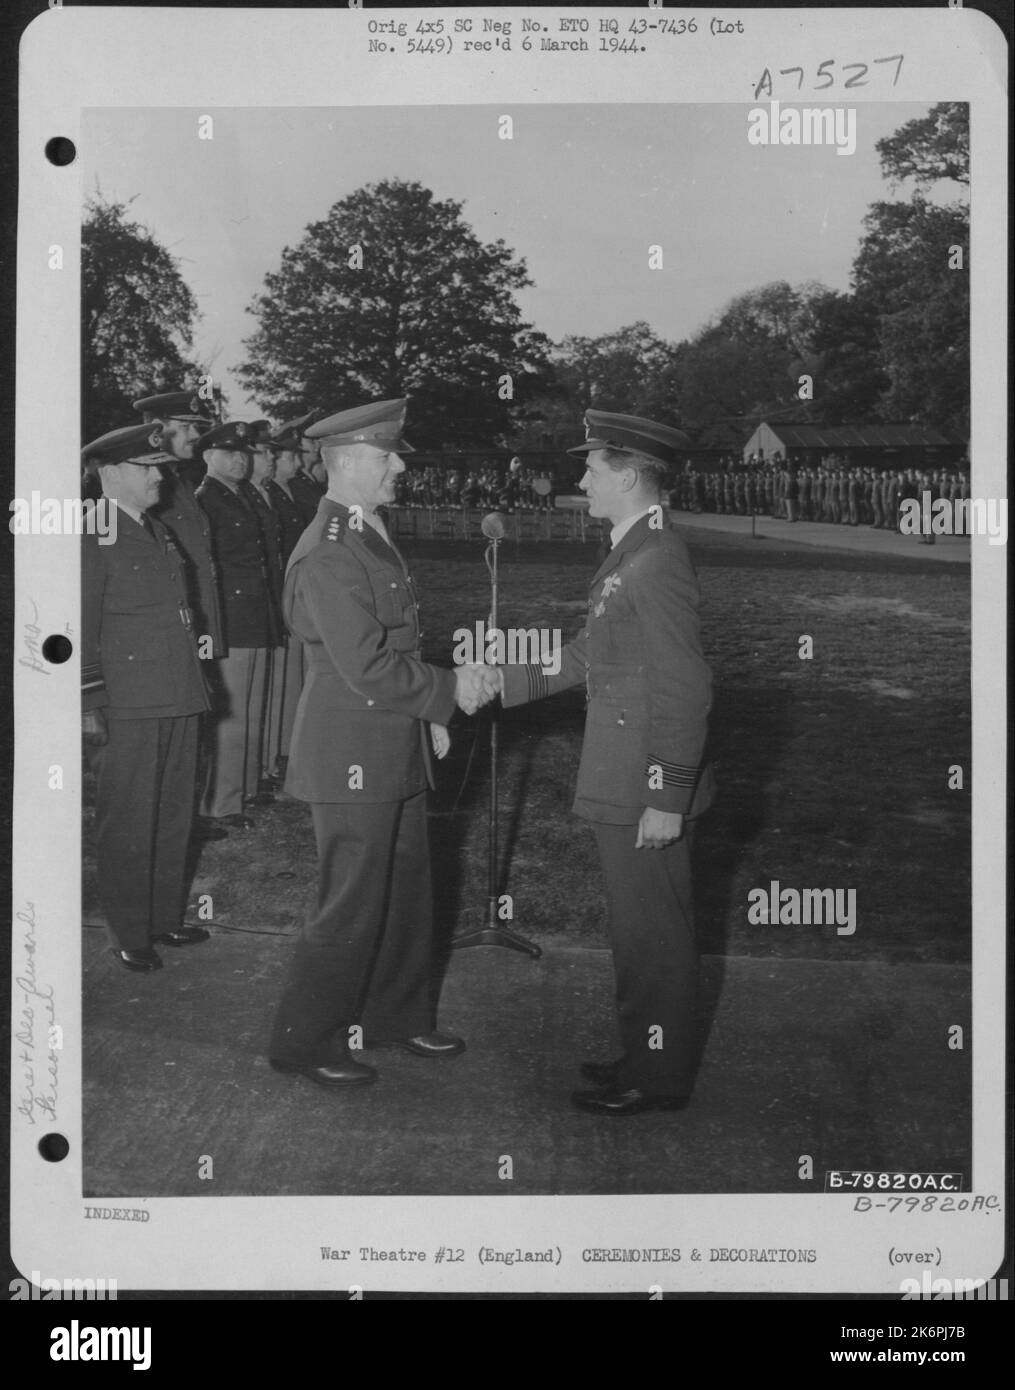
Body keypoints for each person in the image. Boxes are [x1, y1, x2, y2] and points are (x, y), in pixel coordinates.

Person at [267, 398, 496, 1088]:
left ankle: (395, 1017)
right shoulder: (329, 553)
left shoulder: (368, 532)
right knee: (352, 898)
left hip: (391, 738)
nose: (399, 464)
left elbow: (394, 644)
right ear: (344, 464)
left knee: (405, 886)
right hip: (351, 750)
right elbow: (363, 663)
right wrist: (448, 692)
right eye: (385, 456)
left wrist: (426, 715)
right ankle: (304, 1041)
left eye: (395, 453)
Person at [494, 409, 715, 1116]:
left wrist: (667, 795)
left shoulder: (654, 561)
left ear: (624, 475)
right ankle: (646, 1053)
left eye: (589, 468)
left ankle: (657, 1080)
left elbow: (686, 687)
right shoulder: (634, 550)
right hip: (627, 776)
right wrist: (499, 681)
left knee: (653, 935)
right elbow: (590, 655)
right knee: (638, 929)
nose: (579, 479)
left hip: (643, 784)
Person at [81, 423, 211, 972]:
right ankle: (130, 930)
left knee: (173, 811)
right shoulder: (93, 530)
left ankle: (161, 916)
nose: (160, 474)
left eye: (159, 464)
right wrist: (90, 703)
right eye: (147, 467)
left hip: (176, 689)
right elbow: (80, 624)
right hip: (129, 699)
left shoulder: (153, 528)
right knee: (130, 817)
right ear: (111, 474)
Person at [196, 420, 284, 828]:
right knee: (232, 717)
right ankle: (222, 802)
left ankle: (245, 789)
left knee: (253, 709)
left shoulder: (244, 495)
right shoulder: (206, 499)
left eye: (244, 454)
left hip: (256, 612)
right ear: (209, 457)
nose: (239, 461)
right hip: (232, 617)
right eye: (230, 454)